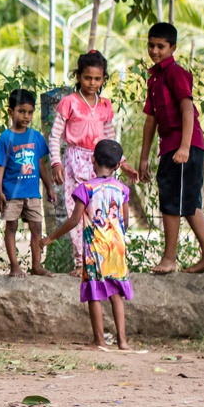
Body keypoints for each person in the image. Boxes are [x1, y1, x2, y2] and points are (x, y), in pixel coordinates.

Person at [134, 22, 204, 274]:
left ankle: (169, 258)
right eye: (151, 45)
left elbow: (187, 109)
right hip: (170, 147)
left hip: (184, 145)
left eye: (160, 46)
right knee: (187, 201)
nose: (154, 50)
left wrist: (184, 147)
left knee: (172, 200)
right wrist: (144, 158)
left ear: (172, 47)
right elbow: (151, 120)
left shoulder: (175, 73)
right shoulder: (154, 79)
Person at [48, 51, 138, 277]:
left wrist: (123, 163)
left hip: (102, 164)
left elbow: (109, 138)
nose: (92, 83)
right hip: (75, 162)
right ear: (79, 76)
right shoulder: (69, 103)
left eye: (97, 79)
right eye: (88, 78)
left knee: (104, 211)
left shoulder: (105, 105)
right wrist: (56, 163)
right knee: (77, 212)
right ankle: (82, 261)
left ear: (103, 79)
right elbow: (55, 135)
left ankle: (106, 256)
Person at [41, 139, 135, 350]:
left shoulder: (86, 188)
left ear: (92, 160)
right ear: (118, 165)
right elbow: (125, 221)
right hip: (116, 248)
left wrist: (49, 238)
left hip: (94, 249)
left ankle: (99, 340)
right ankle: (122, 340)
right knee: (116, 293)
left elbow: (74, 220)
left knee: (95, 293)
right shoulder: (122, 190)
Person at [0, 88, 54, 277]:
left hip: (33, 192)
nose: (26, 116)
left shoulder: (35, 136)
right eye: (21, 111)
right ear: (11, 112)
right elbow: (0, 165)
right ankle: (14, 266)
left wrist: (49, 186)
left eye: (29, 112)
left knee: (37, 227)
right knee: (11, 227)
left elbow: (41, 163)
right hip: (12, 193)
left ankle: (36, 266)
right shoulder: (5, 138)